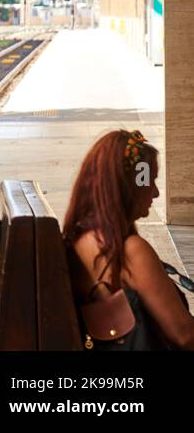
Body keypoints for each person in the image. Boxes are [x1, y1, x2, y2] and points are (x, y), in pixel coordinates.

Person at [63, 130, 194, 350]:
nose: (156, 193)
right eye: (149, 181)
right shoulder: (128, 251)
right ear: (126, 185)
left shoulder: (78, 239)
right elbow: (185, 335)